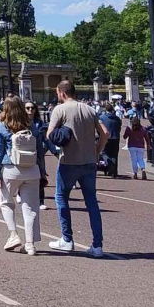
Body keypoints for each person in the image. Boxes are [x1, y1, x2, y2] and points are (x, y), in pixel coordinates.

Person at [47, 81, 109, 256]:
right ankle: (97, 245)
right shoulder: (89, 109)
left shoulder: (59, 110)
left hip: (69, 161)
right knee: (92, 202)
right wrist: (97, 151)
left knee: (61, 198)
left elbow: (49, 134)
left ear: (61, 93)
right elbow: (105, 133)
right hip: (89, 162)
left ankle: (67, 239)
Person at [0, 95, 46, 255]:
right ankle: (30, 245)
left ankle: (13, 234)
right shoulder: (32, 126)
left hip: (10, 168)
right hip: (32, 169)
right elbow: (40, 152)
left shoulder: (2, 127)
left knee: (6, 203)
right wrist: (42, 171)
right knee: (31, 208)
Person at [124, 114, 150, 179]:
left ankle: (135, 173)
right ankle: (143, 169)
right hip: (141, 146)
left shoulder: (129, 128)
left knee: (134, 160)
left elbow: (124, 136)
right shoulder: (143, 129)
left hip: (132, 146)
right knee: (140, 159)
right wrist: (148, 145)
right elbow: (147, 138)